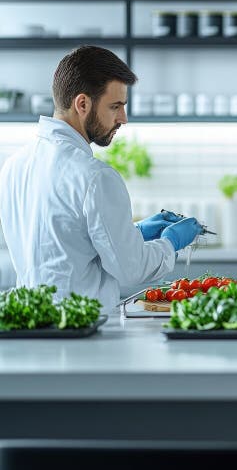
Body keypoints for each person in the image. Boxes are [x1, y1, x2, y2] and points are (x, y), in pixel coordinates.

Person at [0, 46, 203, 312]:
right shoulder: (96, 176)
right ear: (82, 104)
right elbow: (132, 269)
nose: (123, 119)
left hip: (31, 324)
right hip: (83, 328)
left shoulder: (14, 165)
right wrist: (171, 242)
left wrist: (135, 233)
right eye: (115, 107)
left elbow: (64, 244)